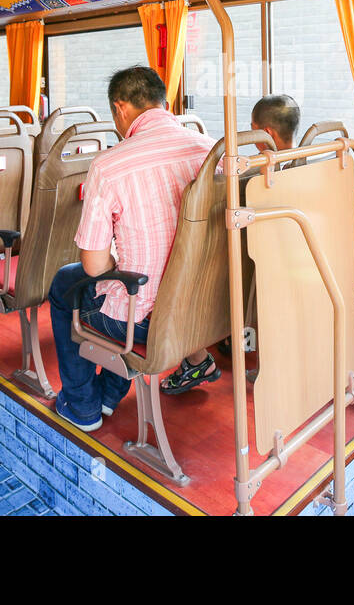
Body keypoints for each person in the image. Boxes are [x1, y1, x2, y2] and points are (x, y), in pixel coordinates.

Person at [47, 65, 217, 431]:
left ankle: (82, 405)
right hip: (205, 304)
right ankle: (108, 395)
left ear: (120, 109)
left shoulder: (109, 165)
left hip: (144, 320)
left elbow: (94, 267)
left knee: (66, 285)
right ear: (165, 103)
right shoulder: (208, 149)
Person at [160, 94, 300, 395]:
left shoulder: (261, 177)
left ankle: (209, 354)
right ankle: (232, 341)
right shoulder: (306, 163)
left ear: (267, 134)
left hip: (268, 266)